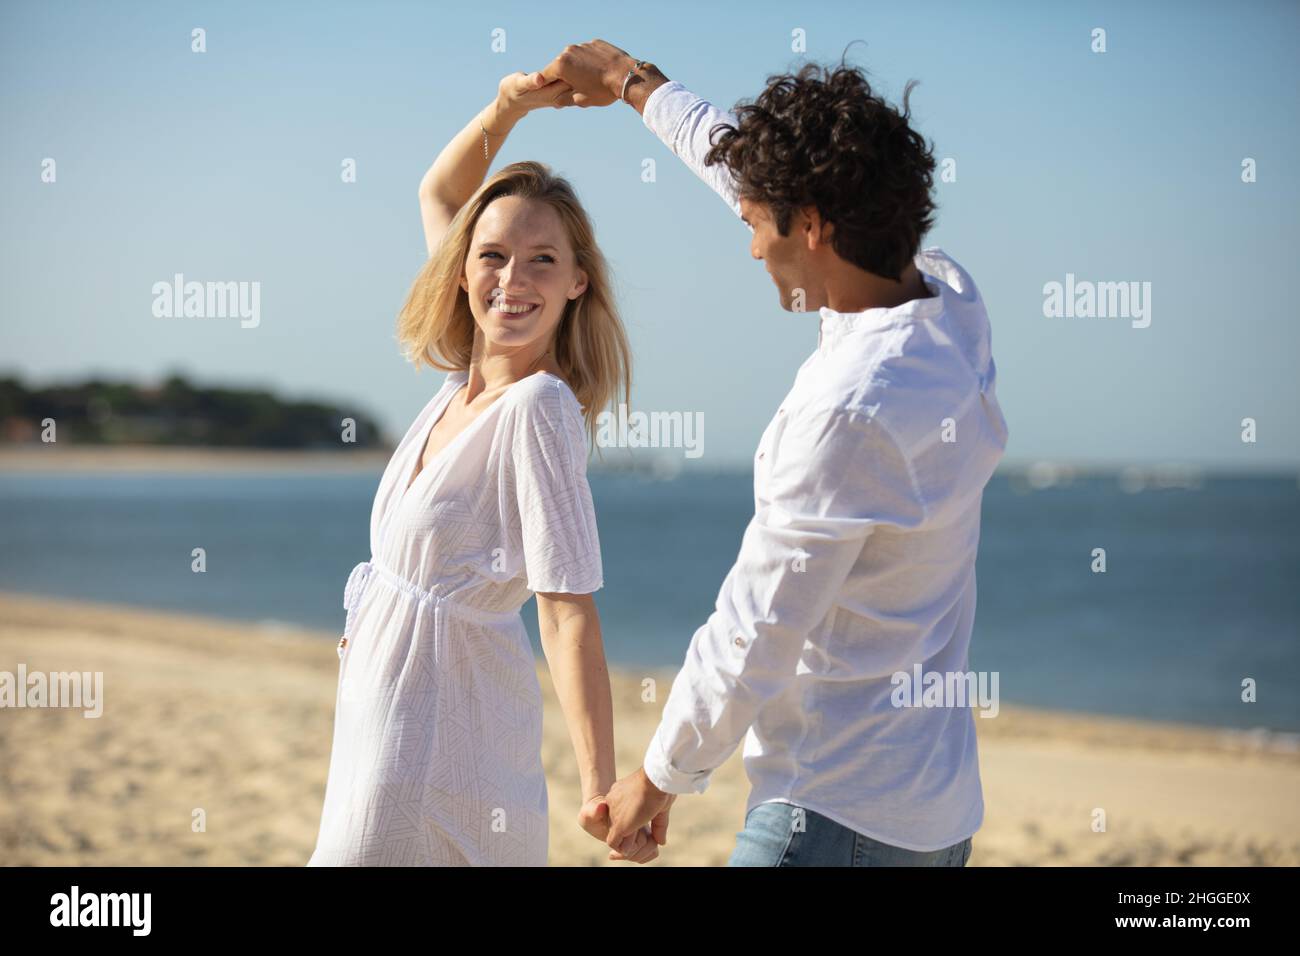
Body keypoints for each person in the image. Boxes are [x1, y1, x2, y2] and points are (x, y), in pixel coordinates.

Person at [540, 41, 1010, 866]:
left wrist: (658, 779)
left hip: (830, 812)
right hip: (937, 814)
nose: (752, 246)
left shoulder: (848, 412)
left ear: (815, 227)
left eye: (760, 227)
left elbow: (756, 628)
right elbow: (756, 180)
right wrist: (633, 87)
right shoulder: (945, 299)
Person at [307, 70, 658, 866]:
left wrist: (600, 790)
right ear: (463, 268)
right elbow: (439, 190)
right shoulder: (460, 380)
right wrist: (513, 106)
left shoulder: (538, 410)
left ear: (578, 282)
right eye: (493, 254)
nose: (512, 280)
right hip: (379, 719)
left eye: (542, 260)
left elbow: (567, 610)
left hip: (438, 737)